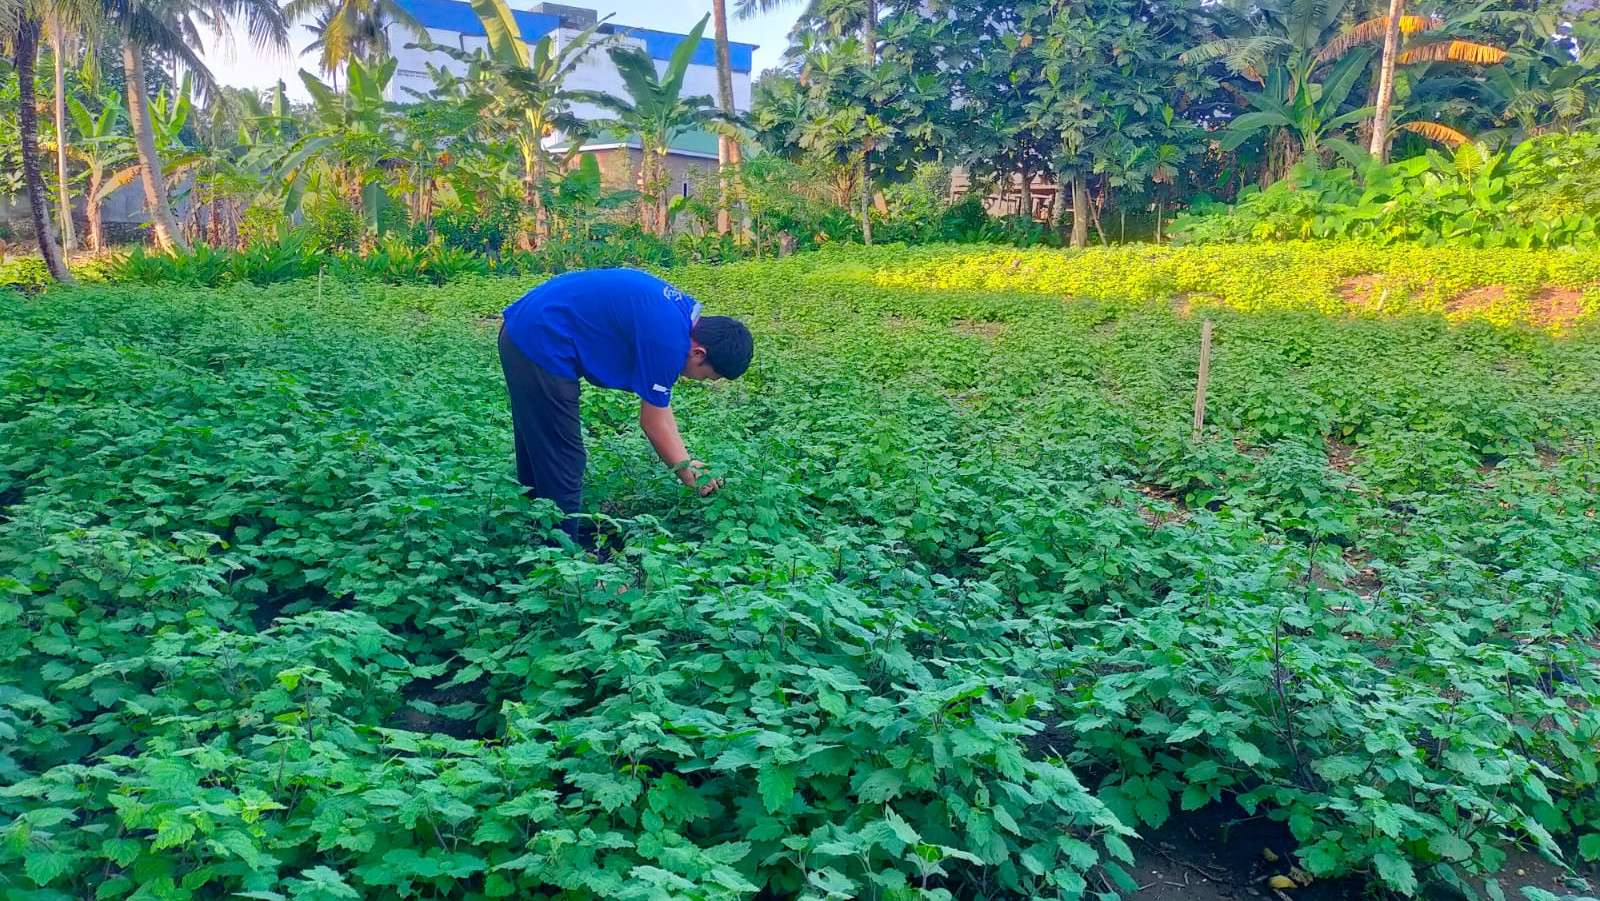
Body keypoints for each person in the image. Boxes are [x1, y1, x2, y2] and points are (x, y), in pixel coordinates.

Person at [497, 268, 754, 546]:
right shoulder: (669, 341)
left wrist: (687, 461)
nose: (694, 379)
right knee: (564, 458)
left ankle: (538, 532)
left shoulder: (682, 315)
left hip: (524, 328)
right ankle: (561, 559)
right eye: (705, 376)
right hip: (539, 341)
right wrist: (689, 475)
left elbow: (660, 409)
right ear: (698, 353)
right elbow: (653, 422)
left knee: (539, 445)